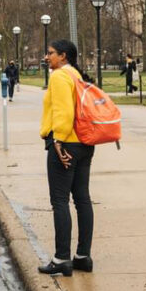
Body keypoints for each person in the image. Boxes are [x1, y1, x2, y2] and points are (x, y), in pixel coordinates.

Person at [37, 38, 95, 276]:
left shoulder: (60, 76)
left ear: (63, 56)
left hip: (66, 142)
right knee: (82, 198)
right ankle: (83, 256)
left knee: (60, 200)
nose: (46, 57)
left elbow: (64, 111)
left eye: (50, 53)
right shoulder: (77, 75)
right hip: (85, 143)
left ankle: (62, 258)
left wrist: (58, 141)